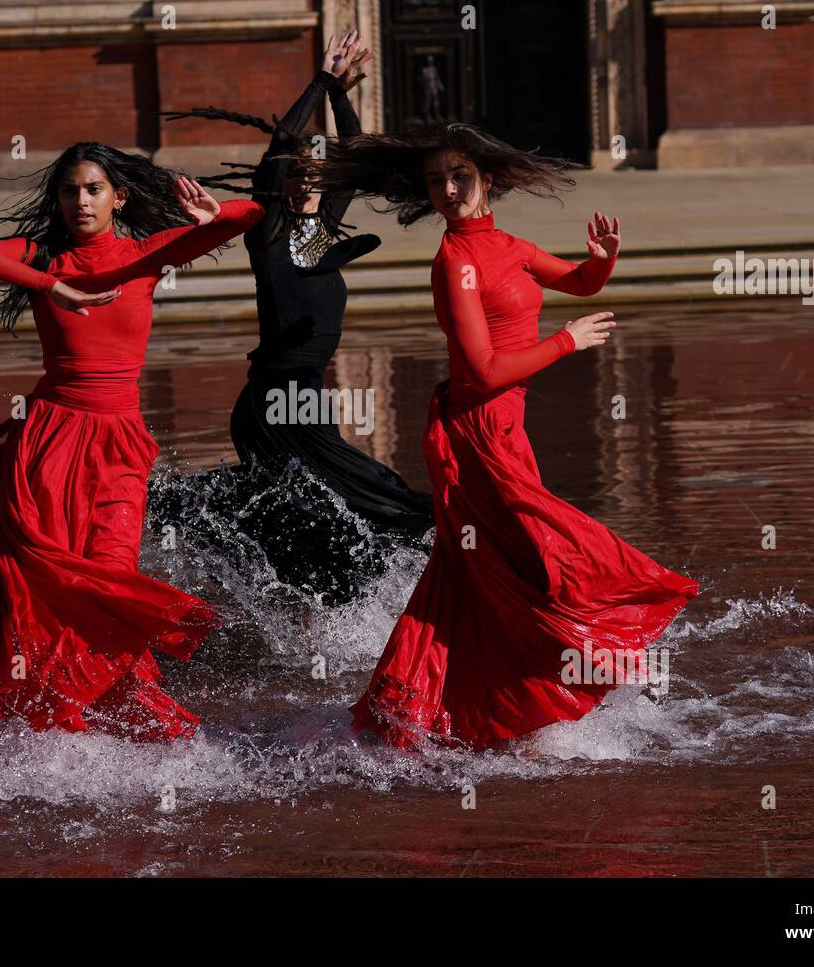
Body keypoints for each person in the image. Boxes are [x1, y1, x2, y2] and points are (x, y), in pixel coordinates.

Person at [298, 122, 700, 749]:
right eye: (436, 181)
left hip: (507, 425)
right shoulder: (455, 262)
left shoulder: (511, 246)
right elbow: (484, 372)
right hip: (479, 432)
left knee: (486, 574)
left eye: (460, 176)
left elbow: (577, 283)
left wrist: (603, 259)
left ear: (487, 179)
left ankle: (454, 711)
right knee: (544, 557)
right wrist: (567, 341)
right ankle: (541, 685)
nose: (449, 190)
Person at [0, 143, 263, 739]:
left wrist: (214, 215)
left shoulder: (144, 254)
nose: (80, 201)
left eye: (93, 189)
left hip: (119, 445)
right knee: (41, 581)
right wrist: (53, 286)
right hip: (48, 441)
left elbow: (253, 213)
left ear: (118, 198)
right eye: (70, 191)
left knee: (108, 581)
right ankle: (43, 721)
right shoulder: (45, 255)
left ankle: (118, 710)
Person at [149, 31, 432, 605]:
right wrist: (322, 82)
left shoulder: (325, 225)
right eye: (298, 171)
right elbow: (283, 143)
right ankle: (175, 510)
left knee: (340, 497)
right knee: (352, 497)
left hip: (306, 398)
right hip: (272, 402)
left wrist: (344, 98)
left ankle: (323, 600)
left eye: (317, 171)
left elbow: (354, 150)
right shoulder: (269, 231)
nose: (307, 177)